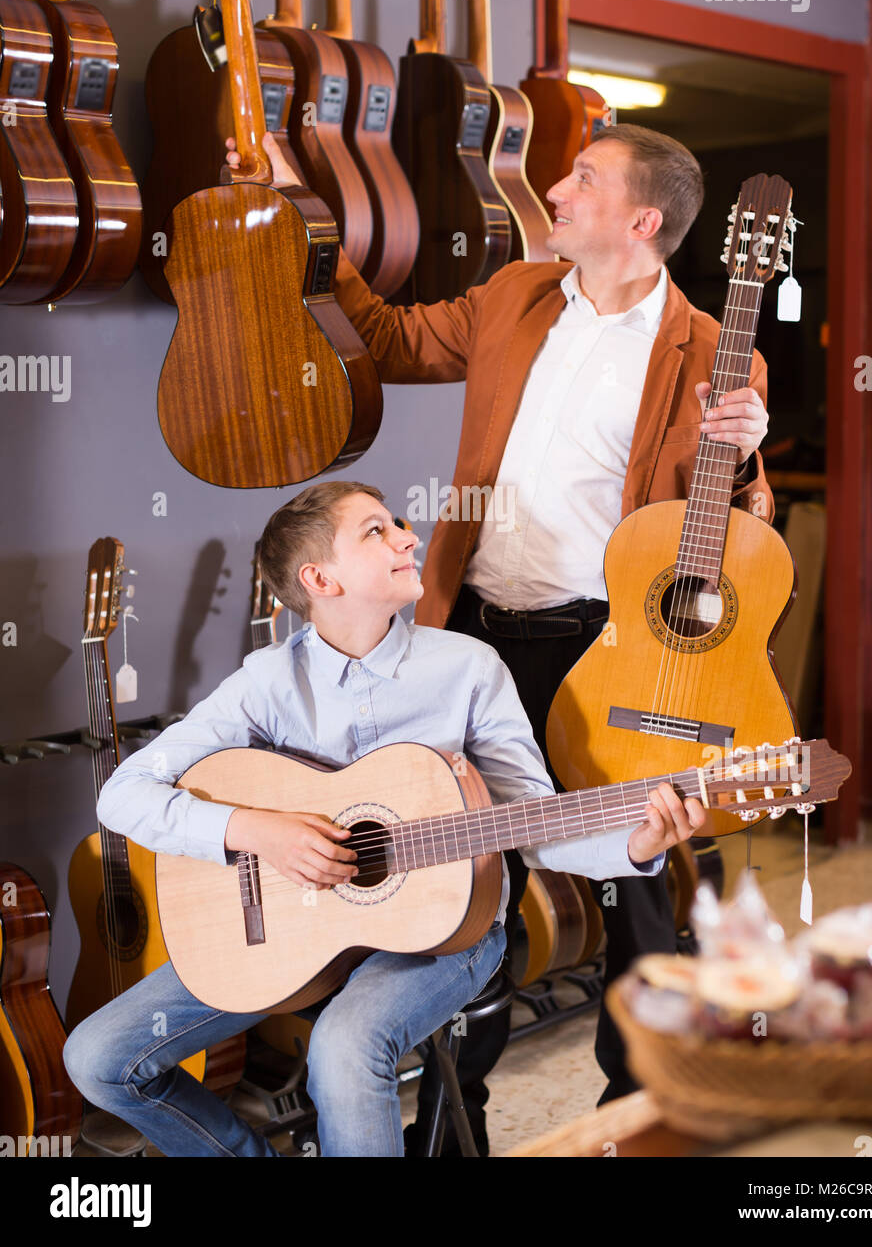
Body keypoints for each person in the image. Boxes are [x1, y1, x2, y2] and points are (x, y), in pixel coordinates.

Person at [226, 123, 774, 1148]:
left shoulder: (710, 348)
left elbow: (738, 541)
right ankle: (451, 1120)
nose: (553, 189)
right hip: (473, 636)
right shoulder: (515, 296)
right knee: (465, 883)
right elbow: (382, 337)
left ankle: (636, 1113)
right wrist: (302, 207)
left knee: (636, 882)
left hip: (610, 648)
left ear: (640, 221)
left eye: (583, 179)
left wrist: (743, 460)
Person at [63, 481, 705, 1158]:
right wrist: (256, 831)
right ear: (320, 578)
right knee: (98, 1058)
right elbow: (124, 793)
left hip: (445, 934)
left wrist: (634, 843)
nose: (409, 538)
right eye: (376, 531)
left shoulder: (468, 667)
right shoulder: (264, 684)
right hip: (289, 933)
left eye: (398, 524)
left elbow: (531, 821)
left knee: (344, 1047)